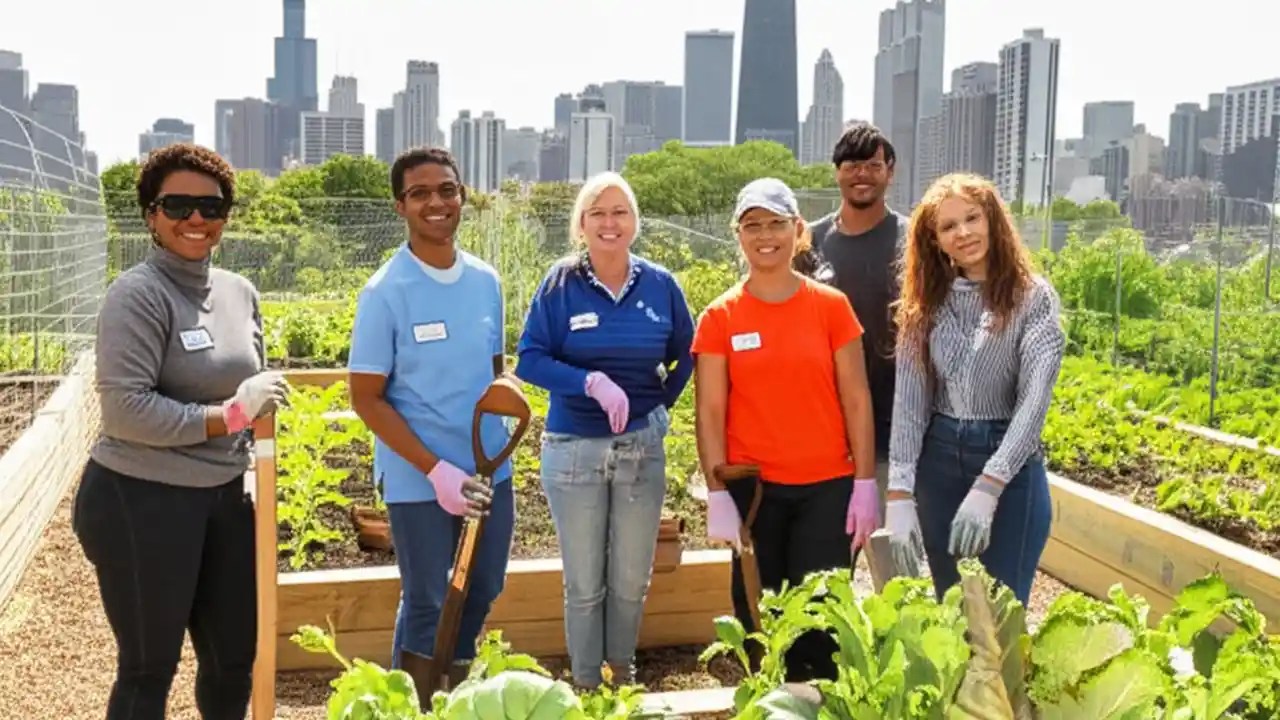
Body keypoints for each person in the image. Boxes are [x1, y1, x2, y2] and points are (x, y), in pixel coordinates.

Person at [73, 143, 290, 720]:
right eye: (177, 205)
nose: (196, 218)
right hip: (142, 499)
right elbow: (126, 410)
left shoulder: (239, 292)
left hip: (224, 499)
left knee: (232, 662)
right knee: (149, 669)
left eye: (211, 207)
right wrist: (231, 416)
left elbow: (249, 379)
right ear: (151, 215)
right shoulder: (137, 295)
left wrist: (254, 437)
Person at [693, 177, 878, 682]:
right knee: (761, 621)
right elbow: (709, 410)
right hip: (755, 494)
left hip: (826, 490)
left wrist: (865, 482)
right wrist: (717, 492)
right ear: (738, 234)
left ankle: (817, 707)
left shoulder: (831, 307)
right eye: (752, 225)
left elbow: (857, 399)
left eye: (776, 223)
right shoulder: (720, 317)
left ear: (798, 230)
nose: (765, 235)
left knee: (821, 627)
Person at [514, 171, 695, 689]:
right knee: (585, 582)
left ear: (634, 222)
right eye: (597, 213)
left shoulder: (660, 285)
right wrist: (589, 382)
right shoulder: (560, 284)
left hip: (641, 450)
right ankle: (587, 684)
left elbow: (688, 353)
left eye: (620, 212)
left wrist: (659, 404)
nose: (609, 223)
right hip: (574, 450)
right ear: (581, 225)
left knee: (632, 578)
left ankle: (623, 676)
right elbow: (530, 358)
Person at [347, 147, 513, 685]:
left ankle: (453, 690)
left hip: (488, 470)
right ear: (401, 206)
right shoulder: (385, 293)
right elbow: (366, 397)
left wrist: (511, 398)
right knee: (427, 598)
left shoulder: (485, 281)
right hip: (419, 477)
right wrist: (435, 470)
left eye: (447, 190)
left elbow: (494, 370)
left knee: (483, 587)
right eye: (419, 193)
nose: (436, 203)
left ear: (462, 196)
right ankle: (411, 704)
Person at [886, 172, 1065, 604]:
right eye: (948, 226)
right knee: (954, 609)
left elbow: (1034, 401)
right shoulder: (925, 303)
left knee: (1001, 611)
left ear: (992, 220)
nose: (963, 232)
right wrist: (899, 492)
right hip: (940, 463)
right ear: (935, 241)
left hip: (1009, 464)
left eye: (972, 218)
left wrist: (991, 485)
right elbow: (910, 402)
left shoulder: (1032, 297)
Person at [792, 121, 907, 523]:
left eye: (873, 166)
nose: (862, 175)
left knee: (891, 552)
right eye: (852, 165)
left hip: (894, 427)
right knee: (826, 551)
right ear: (837, 171)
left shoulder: (912, 239)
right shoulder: (809, 242)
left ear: (890, 171)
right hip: (825, 430)